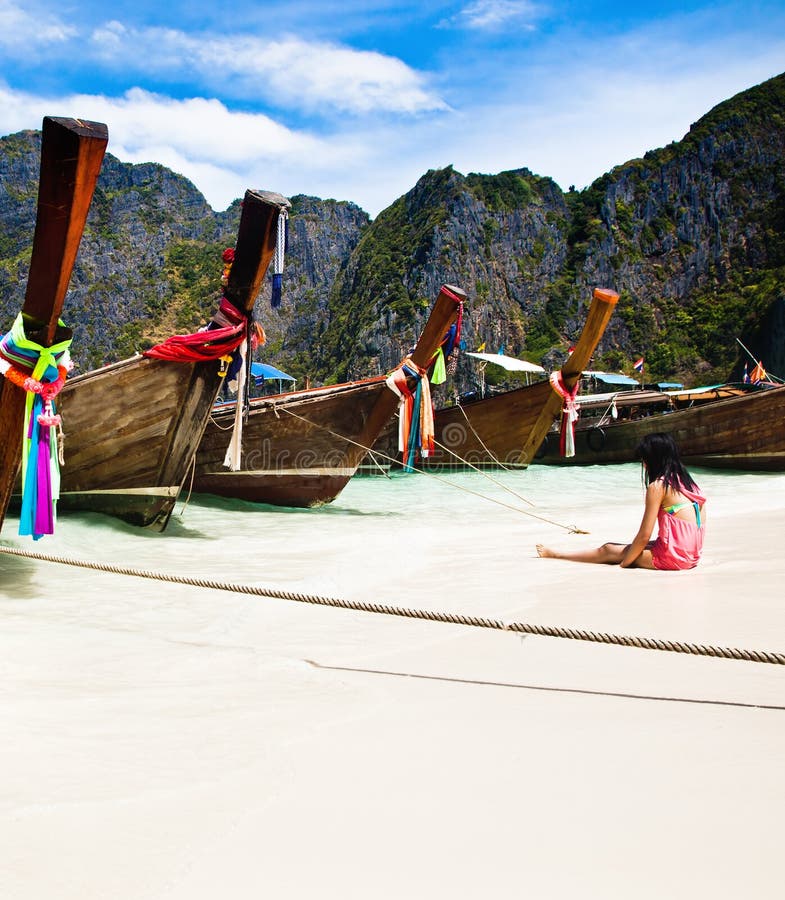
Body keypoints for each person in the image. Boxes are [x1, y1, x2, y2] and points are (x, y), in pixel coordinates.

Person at [536, 432, 706, 570]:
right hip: (692, 555)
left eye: (645, 459)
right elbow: (700, 524)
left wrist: (625, 564)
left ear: (654, 459)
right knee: (623, 549)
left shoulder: (658, 486)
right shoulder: (688, 484)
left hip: (674, 558)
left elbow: (644, 535)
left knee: (608, 550)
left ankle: (556, 555)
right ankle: (557, 554)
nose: (644, 464)